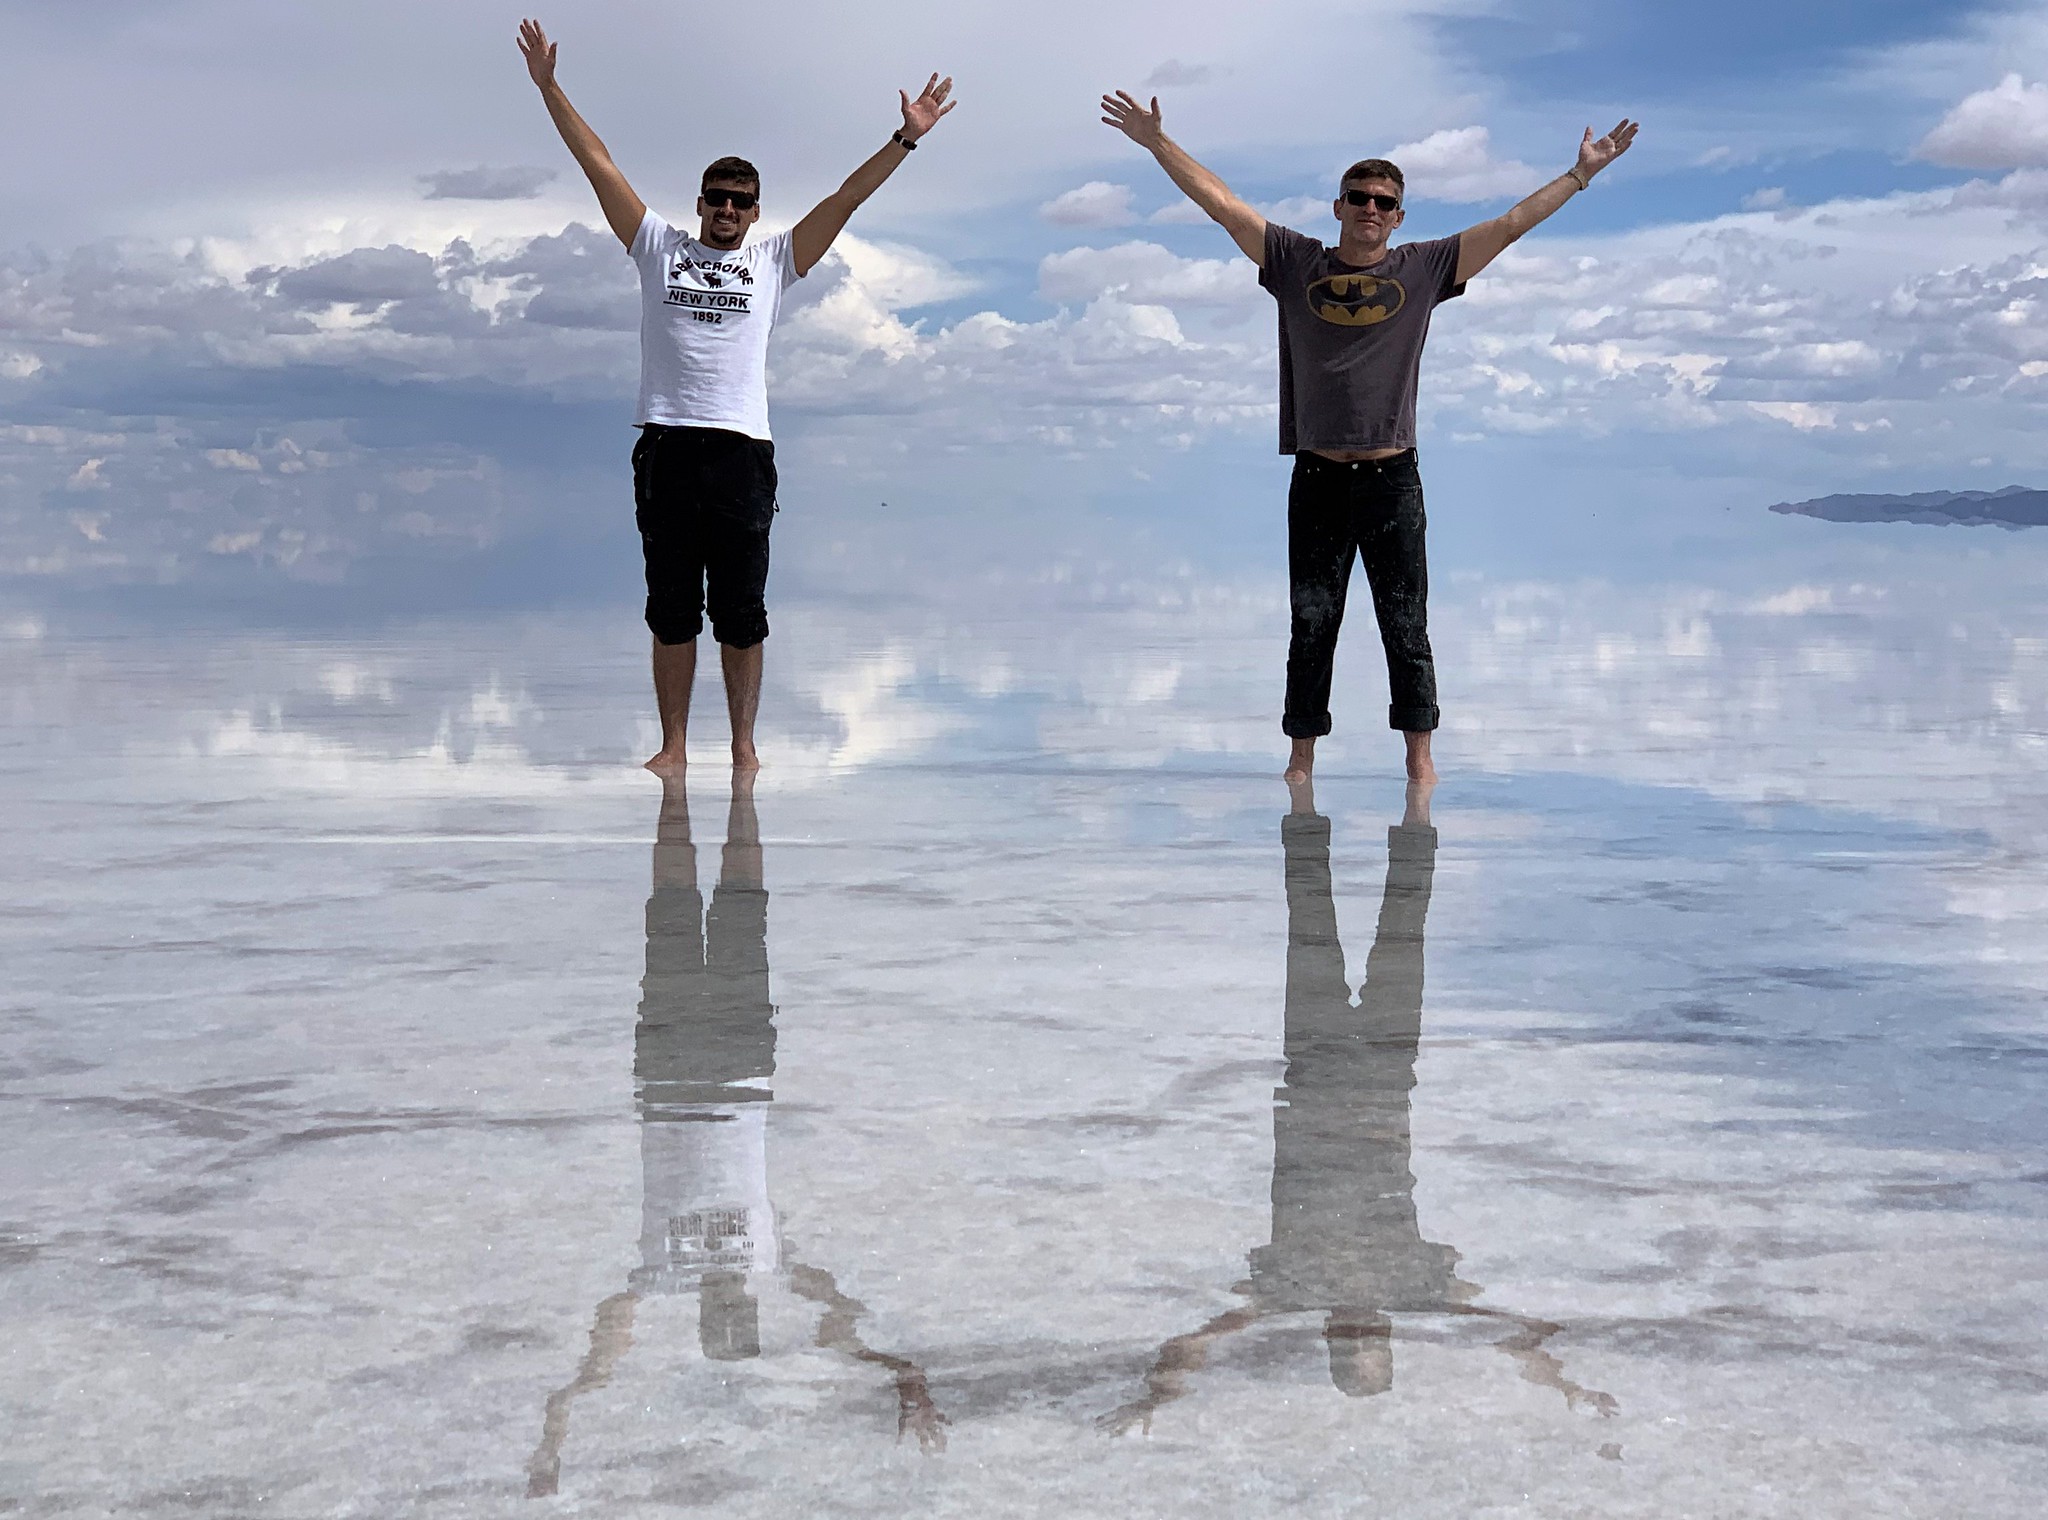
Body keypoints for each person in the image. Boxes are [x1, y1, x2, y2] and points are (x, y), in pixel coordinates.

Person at [1101, 92, 1637, 784]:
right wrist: (1156, 144)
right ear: (1339, 207)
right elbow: (1223, 205)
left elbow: (1508, 226)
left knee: (1406, 628)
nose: (1371, 210)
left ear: (1399, 216)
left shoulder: (1423, 269)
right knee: (1311, 625)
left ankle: (1420, 765)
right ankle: (1300, 764)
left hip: (1392, 480)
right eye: (1359, 198)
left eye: (1384, 202)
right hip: (1318, 478)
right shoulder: (1297, 263)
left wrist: (1580, 174)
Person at [1100, 779, 1618, 1432]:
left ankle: (1319, 788)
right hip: (1384, 1071)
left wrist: (1156, 1397)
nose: (1359, 1324)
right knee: (1397, 920)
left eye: (1353, 1340)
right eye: (1370, 1339)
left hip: (1318, 1065)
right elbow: (1514, 1335)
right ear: (1382, 1337)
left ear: (1333, 1339)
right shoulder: (1406, 1291)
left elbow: (1198, 1343)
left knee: (1319, 914)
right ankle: (1404, 797)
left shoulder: (1296, 1292)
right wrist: (1567, 1386)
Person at [519, 19, 957, 772]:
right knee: (670, 611)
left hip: (741, 451)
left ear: (755, 211)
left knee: (743, 615)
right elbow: (598, 163)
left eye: (740, 201)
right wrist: (550, 89)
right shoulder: (658, 247)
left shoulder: (774, 262)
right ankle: (675, 747)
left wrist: (905, 138)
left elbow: (846, 199)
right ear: (699, 204)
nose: (727, 210)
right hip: (666, 445)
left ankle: (746, 748)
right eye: (717, 198)